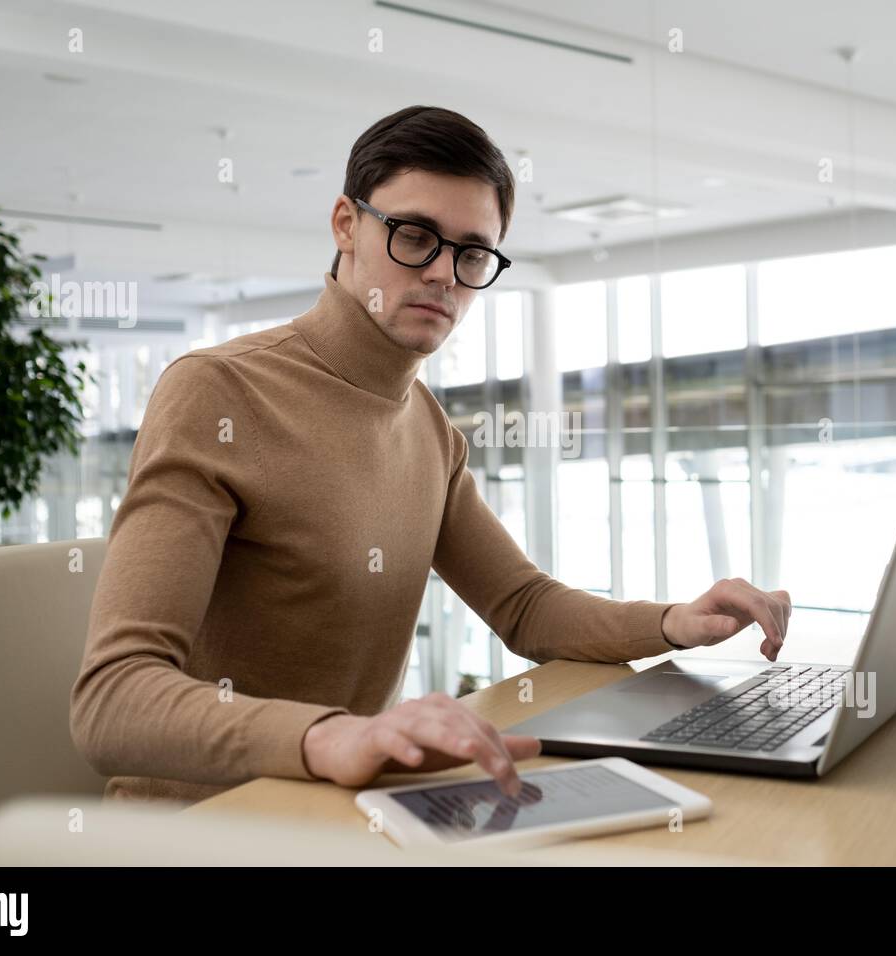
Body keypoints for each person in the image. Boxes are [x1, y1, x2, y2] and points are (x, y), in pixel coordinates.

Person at [70, 105, 791, 806]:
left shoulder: (427, 425)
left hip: (346, 811)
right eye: (416, 236)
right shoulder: (219, 391)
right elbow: (112, 700)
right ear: (346, 225)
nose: (445, 273)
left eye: (472, 252)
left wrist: (673, 622)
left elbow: (524, 607)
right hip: (205, 829)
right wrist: (330, 738)